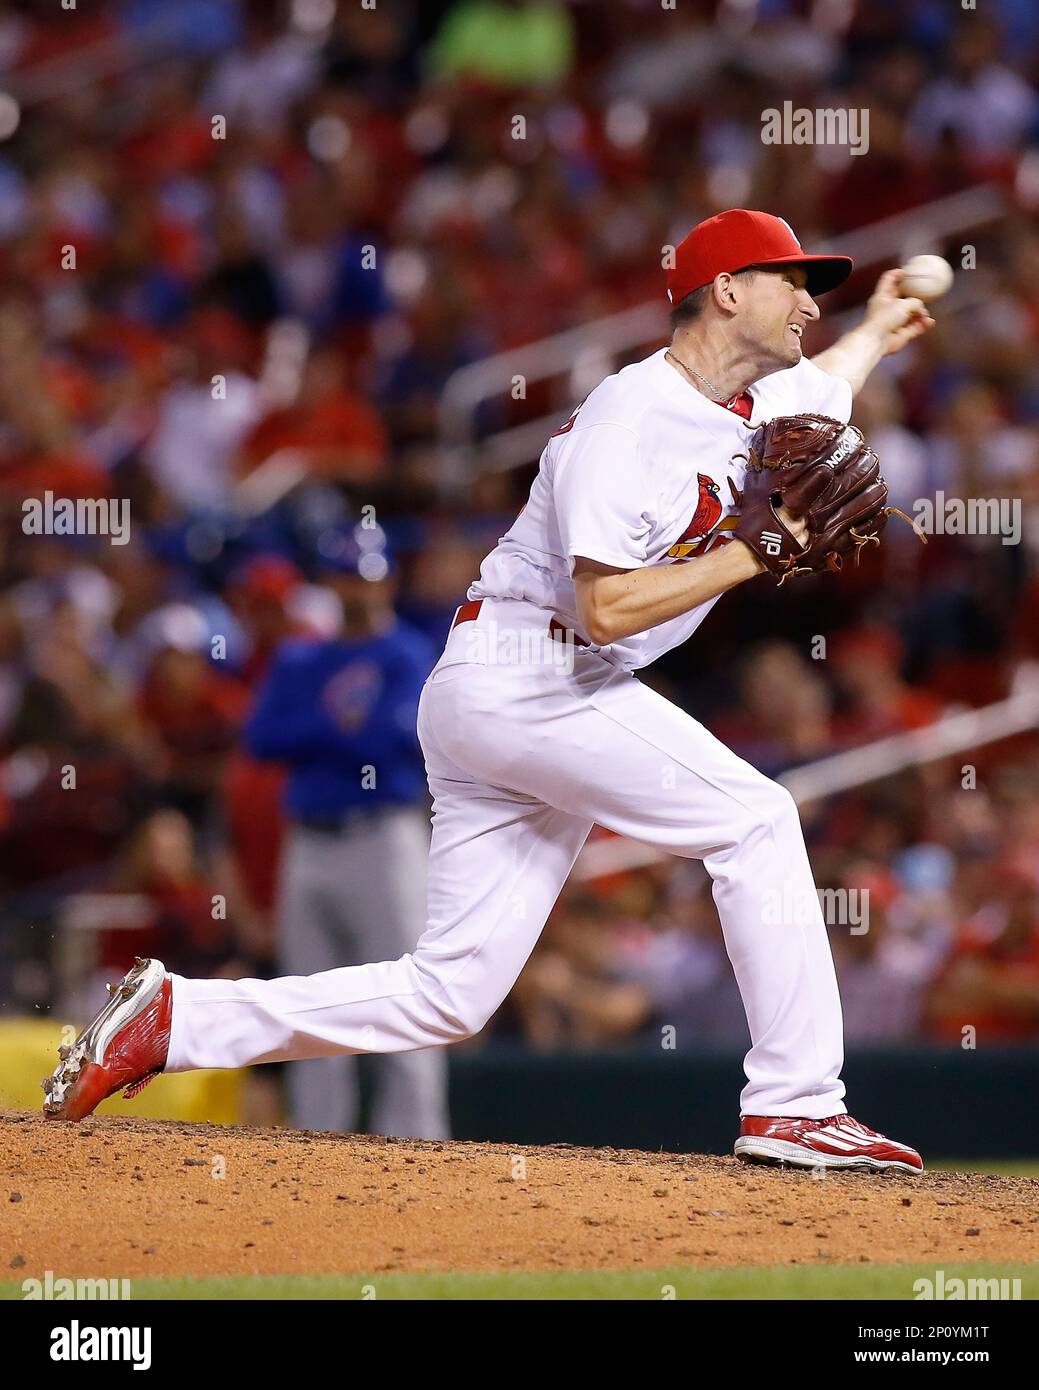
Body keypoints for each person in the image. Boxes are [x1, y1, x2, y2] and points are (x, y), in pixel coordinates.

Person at [43, 209, 934, 1173]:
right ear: (726, 291)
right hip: (530, 672)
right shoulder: (628, 416)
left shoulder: (763, 397)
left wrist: (877, 330)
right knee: (756, 816)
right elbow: (606, 607)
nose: (809, 300)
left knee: (450, 993)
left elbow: (825, 386)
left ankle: (178, 1018)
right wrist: (755, 553)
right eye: (792, 279)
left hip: (522, 697)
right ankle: (796, 1103)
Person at [241, 529, 449, 1138]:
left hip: (381, 838)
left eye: (364, 574)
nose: (354, 587)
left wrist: (318, 730)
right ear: (328, 582)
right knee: (308, 1001)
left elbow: (395, 737)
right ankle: (316, 1144)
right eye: (343, 575)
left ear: (387, 579)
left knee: (407, 996)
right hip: (307, 842)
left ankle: (420, 1146)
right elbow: (261, 738)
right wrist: (338, 728)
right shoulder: (300, 657)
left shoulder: (407, 653)